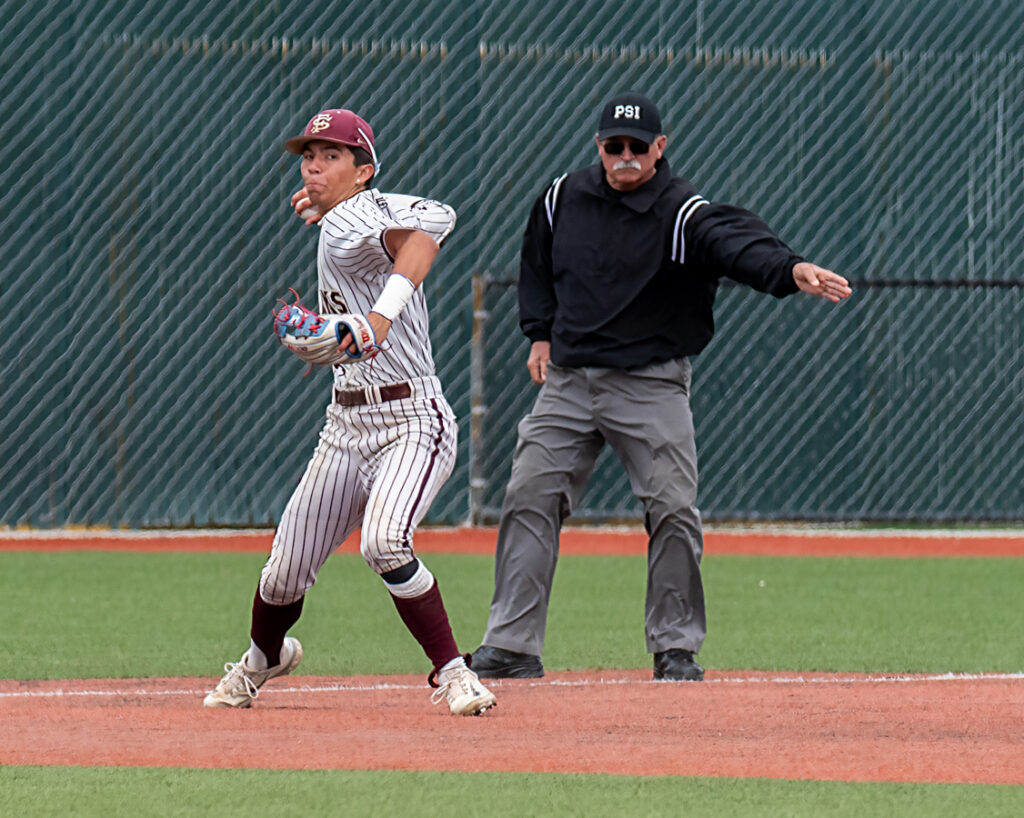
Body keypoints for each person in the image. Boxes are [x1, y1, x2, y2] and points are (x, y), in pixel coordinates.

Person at [471, 91, 852, 682]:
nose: (625, 156)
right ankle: (512, 645)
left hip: (650, 383)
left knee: (672, 507)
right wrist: (539, 334)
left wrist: (789, 268)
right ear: (598, 146)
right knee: (528, 495)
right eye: (613, 146)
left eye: (637, 146)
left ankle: (675, 646)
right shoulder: (560, 198)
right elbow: (537, 266)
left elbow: (736, 240)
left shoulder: (681, 211)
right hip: (570, 382)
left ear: (660, 148)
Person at [204, 107, 496, 715]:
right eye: (308, 155)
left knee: (386, 541)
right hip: (345, 425)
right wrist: (327, 208)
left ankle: (454, 672)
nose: (312, 165)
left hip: (411, 420)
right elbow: (395, 228)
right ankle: (263, 659)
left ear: (364, 170)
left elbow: (429, 228)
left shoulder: (356, 215)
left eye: (330, 155)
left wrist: (379, 317)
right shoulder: (343, 217)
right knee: (283, 572)